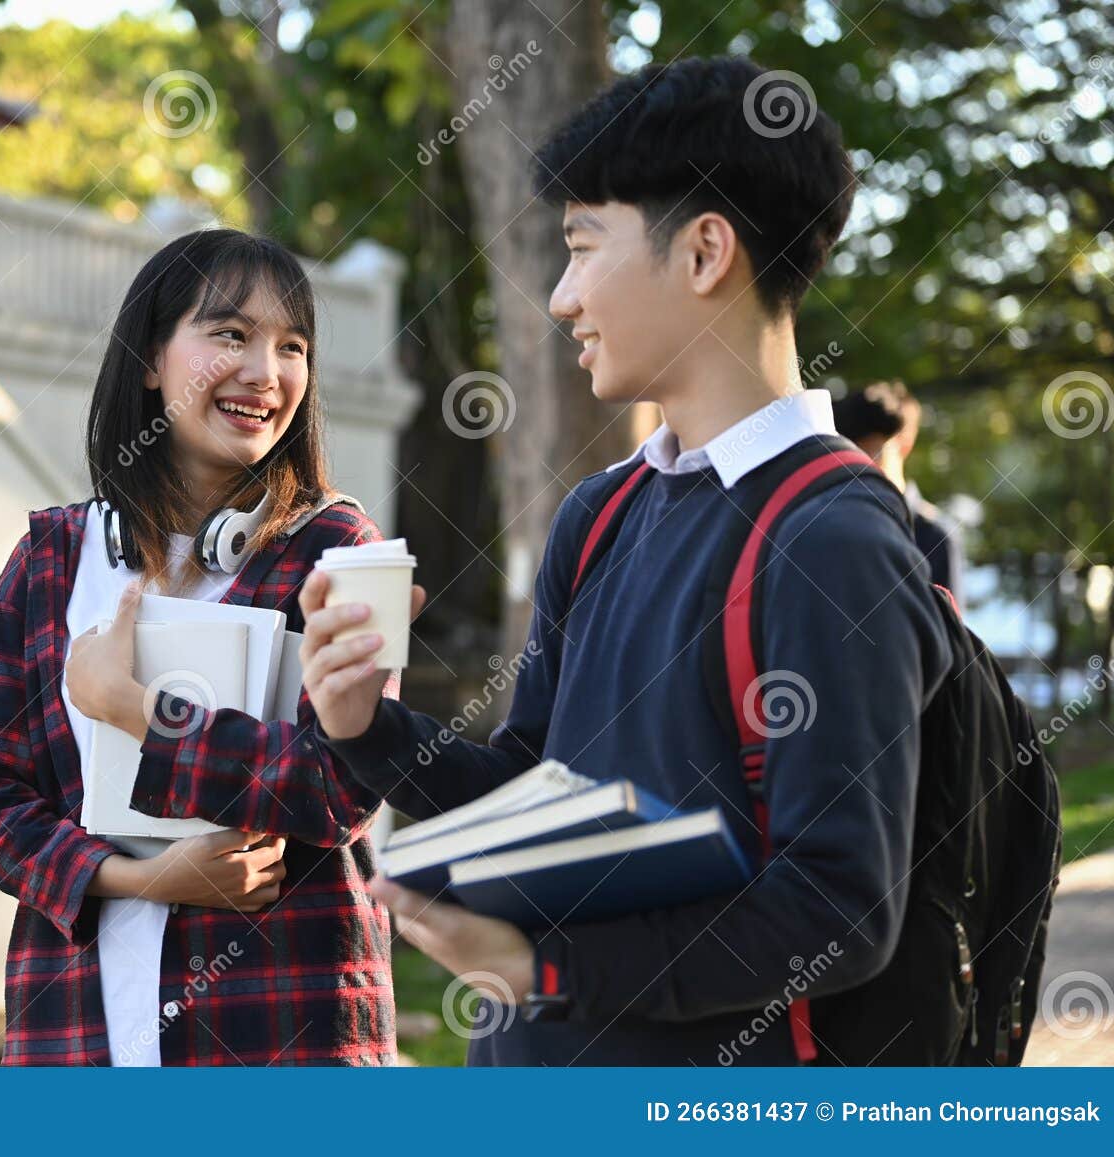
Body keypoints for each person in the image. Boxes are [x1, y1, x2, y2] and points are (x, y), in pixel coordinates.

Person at [299, 57, 952, 1065]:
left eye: (580, 246)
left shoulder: (834, 539)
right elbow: (530, 784)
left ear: (702, 253)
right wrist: (366, 726)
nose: (561, 298)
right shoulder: (600, 515)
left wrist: (544, 968)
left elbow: (836, 907)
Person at [0, 228, 402, 1066]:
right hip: (75, 1031)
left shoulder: (341, 550)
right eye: (231, 334)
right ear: (151, 358)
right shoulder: (50, 560)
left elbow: (343, 783)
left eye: (291, 346)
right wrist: (139, 877)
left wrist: (142, 713)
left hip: (281, 1035)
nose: (267, 373)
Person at [833, 380, 965, 602]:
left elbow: (948, 631)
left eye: (873, 455)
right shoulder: (833, 526)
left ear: (905, 444)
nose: (861, 471)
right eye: (853, 459)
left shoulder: (935, 537)